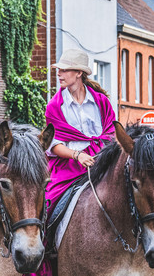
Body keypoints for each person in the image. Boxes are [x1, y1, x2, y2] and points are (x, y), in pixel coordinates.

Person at [44, 48, 117, 211]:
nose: (59, 74)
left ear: (78, 73)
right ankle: (45, 235)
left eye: (64, 70)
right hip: (69, 166)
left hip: (103, 160)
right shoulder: (54, 106)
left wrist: (101, 154)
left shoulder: (101, 101)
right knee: (47, 202)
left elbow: (112, 134)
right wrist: (78, 156)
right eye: (58, 70)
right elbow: (54, 145)